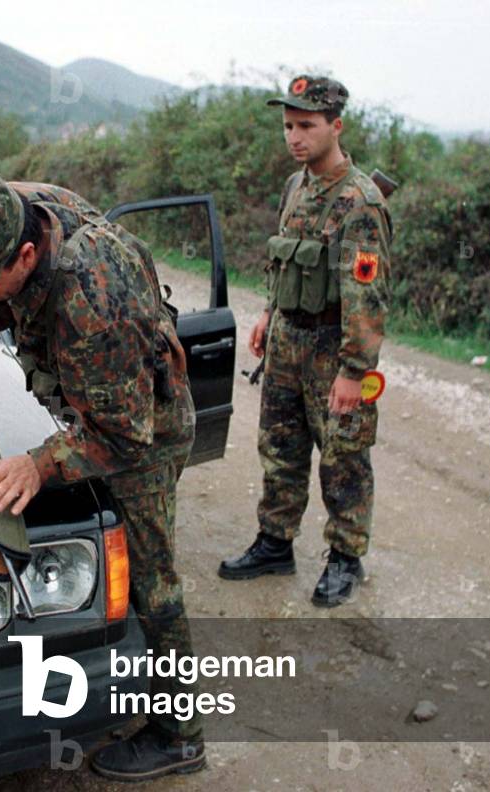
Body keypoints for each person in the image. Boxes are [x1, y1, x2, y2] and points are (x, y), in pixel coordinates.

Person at [0, 164, 207, 780]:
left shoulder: (93, 293)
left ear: (25, 257)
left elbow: (123, 433)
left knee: (152, 580)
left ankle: (180, 735)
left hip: (143, 431)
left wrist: (40, 463)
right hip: (88, 402)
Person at [218, 75, 393, 607]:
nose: (294, 137)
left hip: (331, 348)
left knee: (343, 457)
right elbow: (283, 260)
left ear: (336, 126)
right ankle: (275, 542)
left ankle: (345, 557)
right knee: (280, 447)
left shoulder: (360, 202)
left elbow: (367, 295)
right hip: (287, 342)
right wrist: (268, 313)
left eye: (306, 126)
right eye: (288, 126)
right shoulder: (295, 186)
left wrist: (354, 371)